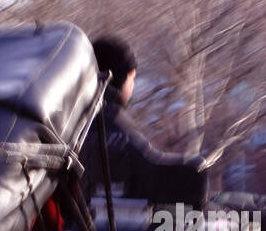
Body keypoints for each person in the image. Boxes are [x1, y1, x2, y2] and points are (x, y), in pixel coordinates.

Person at [86, 35, 208, 208]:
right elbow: (150, 175)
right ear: (122, 77)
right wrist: (197, 169)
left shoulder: (66, 119)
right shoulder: (112, 122)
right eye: (132, 78)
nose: (133, 86)